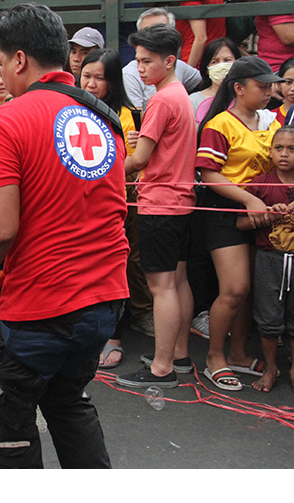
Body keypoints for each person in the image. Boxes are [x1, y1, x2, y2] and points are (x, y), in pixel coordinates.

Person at [0, 3, 129, 469]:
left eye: (0, 61)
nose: (0, 72)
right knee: (67, 400)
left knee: (8, 410)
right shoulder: (104, 117)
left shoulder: (6, 120)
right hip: (103, 298)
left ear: (19, 60)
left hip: (43, 302)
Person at [114, 24, 197, 389]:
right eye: (137, 61)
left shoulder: (162, 99)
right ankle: (177, 355)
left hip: (159, 204)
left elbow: (140, 159)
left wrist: (109, 170)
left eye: (147, 61)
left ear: (170, 60)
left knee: (160, 286)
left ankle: (161, 367)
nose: (140, 68)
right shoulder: (181, 94)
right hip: (181, 202)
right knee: (177, 282)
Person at [196, 56, 285, 391]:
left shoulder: (272, 121)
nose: (269, 91)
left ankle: (238, 353)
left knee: (251, 291)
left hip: (263, 214)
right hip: (225, 211)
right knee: (234, 289)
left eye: (269, 85)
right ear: (239, 88)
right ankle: (213, 357)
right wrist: (249, 199)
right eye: (261, 86)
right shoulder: (220, 123)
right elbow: (208, 174)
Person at [79, 48, 153, 369]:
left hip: (115, 205)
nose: (92, 84)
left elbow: (132, 166)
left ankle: (114, 335)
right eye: (86, 76)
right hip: (79, 204)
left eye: (100, 78)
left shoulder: (125, 114)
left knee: (116, 267)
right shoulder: (70, 108)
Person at [237, 125, 294, 392]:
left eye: (292, 149)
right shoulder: (260, 184)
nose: (284, 155)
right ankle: (271, 368)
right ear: (270, 152)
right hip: (269, 259)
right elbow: (240, 224)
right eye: (278, 148)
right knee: (269, 316)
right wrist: (267, 216)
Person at [122, 8, 202, 109]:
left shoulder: (180, 67)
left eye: (160, 32)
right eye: (146, 32)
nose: (141, 69)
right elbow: (137, 121)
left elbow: (204, 83)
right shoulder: (130, 74)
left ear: (170, 61)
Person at [190, 37, 241, 124]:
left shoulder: (246, 98)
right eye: (215, 62)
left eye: (227, 60)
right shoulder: (193, 101)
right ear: (207, 68)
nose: (221, 65)